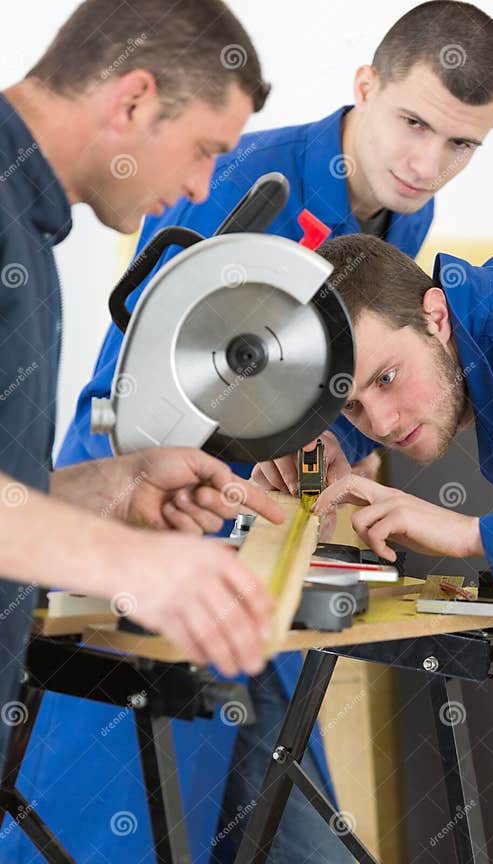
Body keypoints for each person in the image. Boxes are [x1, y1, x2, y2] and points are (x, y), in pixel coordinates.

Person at [6, 4, 493, 863]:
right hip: (129, 563)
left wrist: (324, 456)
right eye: (414, 123)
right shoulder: (247, 182)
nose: (427, 163)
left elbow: (334, 394)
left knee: (286, 827)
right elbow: (129, 396)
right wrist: (135, 532)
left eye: (460, 145)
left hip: (239, 567)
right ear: (367, 89)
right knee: (99, 826)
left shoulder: (403, 213)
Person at [0, 0, 283, 832]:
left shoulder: (26, 232)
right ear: (131, 100)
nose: (199, 186)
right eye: (203, 150)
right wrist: (139, 565)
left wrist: (106, 489)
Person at [305, 233, 493, 614]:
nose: (381, 426)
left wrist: (467, 535)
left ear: (435, 317)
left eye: (387, 379)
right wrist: (327, 441)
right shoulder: (484, 303)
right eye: (350, 404)